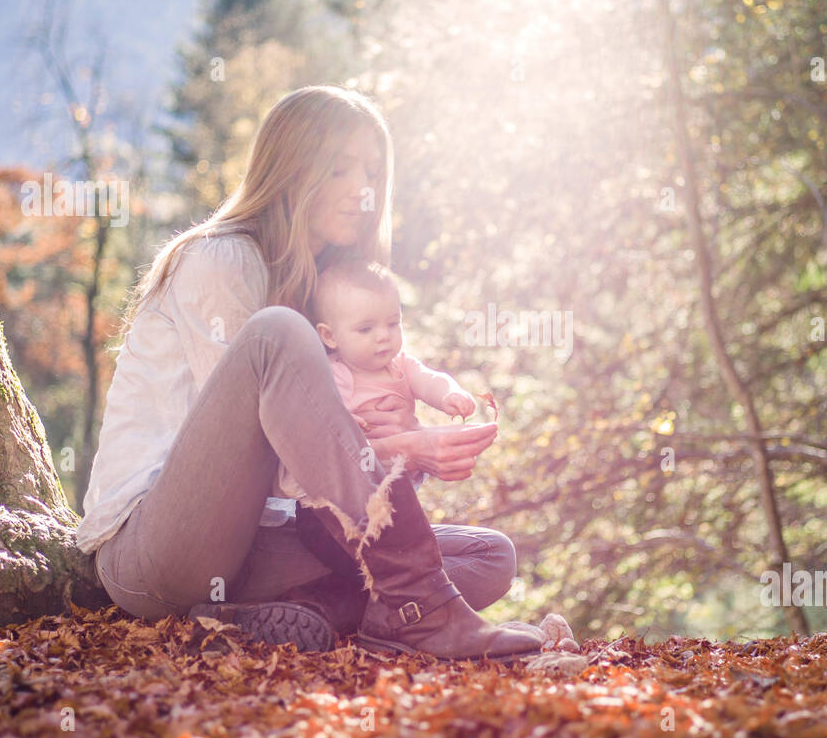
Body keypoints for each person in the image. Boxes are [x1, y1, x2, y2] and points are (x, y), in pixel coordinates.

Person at [73, 85, 542, 662]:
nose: (362, 188)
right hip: (160, 547)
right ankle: (420, 608)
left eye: (371, 171)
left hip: (264, 540)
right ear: (292, 165)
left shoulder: (328, 291)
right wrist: (407, 448)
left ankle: (311, 613)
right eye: (340, 168)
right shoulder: (222, 259)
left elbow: (321, 467)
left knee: (488, 557)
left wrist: (408, 433)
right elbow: (273, 465)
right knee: (279, 333)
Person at [310, 259, 480, 433]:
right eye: (365, 329)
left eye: (392, 323)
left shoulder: (402, 366)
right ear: (329, 336)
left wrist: (449, 394)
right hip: (364, 457)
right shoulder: (333, 375)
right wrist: (343, 423)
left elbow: (430, 381)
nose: (384, 335)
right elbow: (320, 417)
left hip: (411, 456)